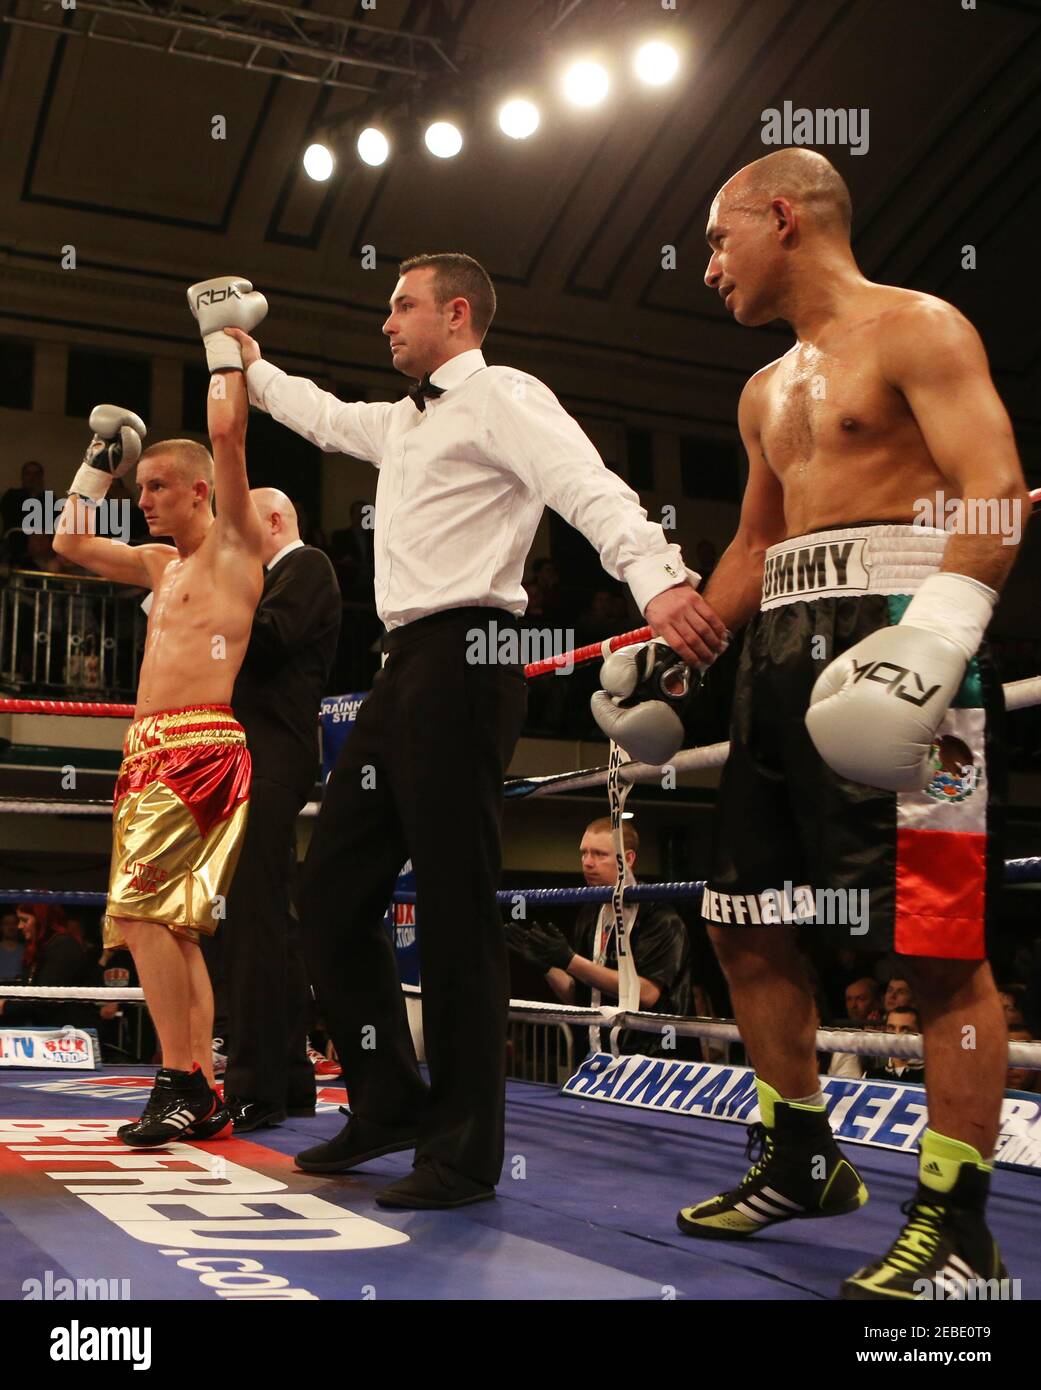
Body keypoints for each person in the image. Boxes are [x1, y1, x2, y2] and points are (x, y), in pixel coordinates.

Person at [227, 251, 727, 1209]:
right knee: (329, 890)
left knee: (455, 906)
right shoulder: (406, 423)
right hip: (401, 666)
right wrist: (246, 366)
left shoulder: (502, 393)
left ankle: (462, 1150)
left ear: (456, 314)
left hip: (471, 657)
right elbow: (322, 415)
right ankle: (386, 1101)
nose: (385, 322)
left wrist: (655, 574)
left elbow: (586, 482)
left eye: (402, 305)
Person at [670, 148, 1030, 1299]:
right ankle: (801, 1158)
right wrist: (672, 659)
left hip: (906, 629)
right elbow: (753, 544)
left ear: (785, 216)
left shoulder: (922, 329)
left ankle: (961, 1228)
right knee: (742, 918)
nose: (709, 269)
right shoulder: (762, 390)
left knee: (935, 945)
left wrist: (936, 642)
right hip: (779, 652)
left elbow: (993, 491)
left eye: (720, 240)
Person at [52, 273, 267, 1145]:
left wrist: (221, 343)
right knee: (170, 930)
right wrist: (100, 456)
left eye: (155, 486)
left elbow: (225, 431)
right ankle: (200, 1089)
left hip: (197, 746)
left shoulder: (235, 545)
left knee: (140, 919)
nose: (143, 501)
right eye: (138, 488)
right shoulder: (160, 565)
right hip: (151, 753)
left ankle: (180, 1078)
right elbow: (68, 539)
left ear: (198, 492)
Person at [213, 487, 341, 1131]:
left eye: (239, 525)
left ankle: (254, 1085)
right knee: (269, 919)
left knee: (257, 920)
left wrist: (206, 597)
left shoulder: (307, 566)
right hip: (248, 755)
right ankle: (288, 1081)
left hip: (272, 757)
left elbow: (268, 639)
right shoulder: (270, 578)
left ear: (273, 520)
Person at [506, 817, 692, 1055]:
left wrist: (571, 960)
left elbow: (646, 994)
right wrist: (549, 966)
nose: (587, 863)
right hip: (600, 1059)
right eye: (584, 853)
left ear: (629, 860)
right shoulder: (591, 913)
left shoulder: (659, 916)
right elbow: (579, 995)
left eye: (599, 854)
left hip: (656, 1061)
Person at [0, 904, 90, 1029]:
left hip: (69, 1032)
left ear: (41, 920)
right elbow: (30, 988)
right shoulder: (40, 948)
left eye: (25, 920)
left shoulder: (63, 946)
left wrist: (5, 1006)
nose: (19, 926)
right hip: (48, 1030)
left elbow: (47, 998)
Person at [826, 976, 883, 1080]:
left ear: (876, 1001)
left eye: (860, 999)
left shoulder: (892, 1027)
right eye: (849, 999)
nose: (853, 1005)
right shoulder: (841, 1033)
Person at [863, 1007, 925, 1084]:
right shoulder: (870, 1076)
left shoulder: (933, 1075)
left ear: (921, 1033)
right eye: (891, 1028)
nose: (897, 1035)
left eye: (905, 1029)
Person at [0, 910, 24, 982]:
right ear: (1, 927)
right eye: (6, 923)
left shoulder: (26, 951)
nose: (11, 927)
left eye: (14, 923)